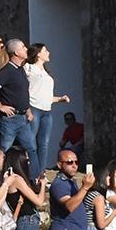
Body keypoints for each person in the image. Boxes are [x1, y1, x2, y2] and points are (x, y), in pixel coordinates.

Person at [25, 43, 71, 177]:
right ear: (38, 53)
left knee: (43, 143)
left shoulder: (46, 72)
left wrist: (60, 99)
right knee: (31, 142)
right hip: (34, 108)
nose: (48, 52)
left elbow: (46, 96)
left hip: (46, 110)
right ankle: (30, 171)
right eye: (45, 50)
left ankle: (40, 173)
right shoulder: (29, 68)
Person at [0, 39, 36, 153]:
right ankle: (0, 171)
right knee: (4, 150)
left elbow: (21, 93)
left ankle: (35, 171)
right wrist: (0, 106)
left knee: (31, 149)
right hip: (10, 119)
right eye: (23, 47)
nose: (26, 49)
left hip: (23, 118)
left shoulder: (20, 69)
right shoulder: (7, 70)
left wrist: (28, 111)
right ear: (16, 53)